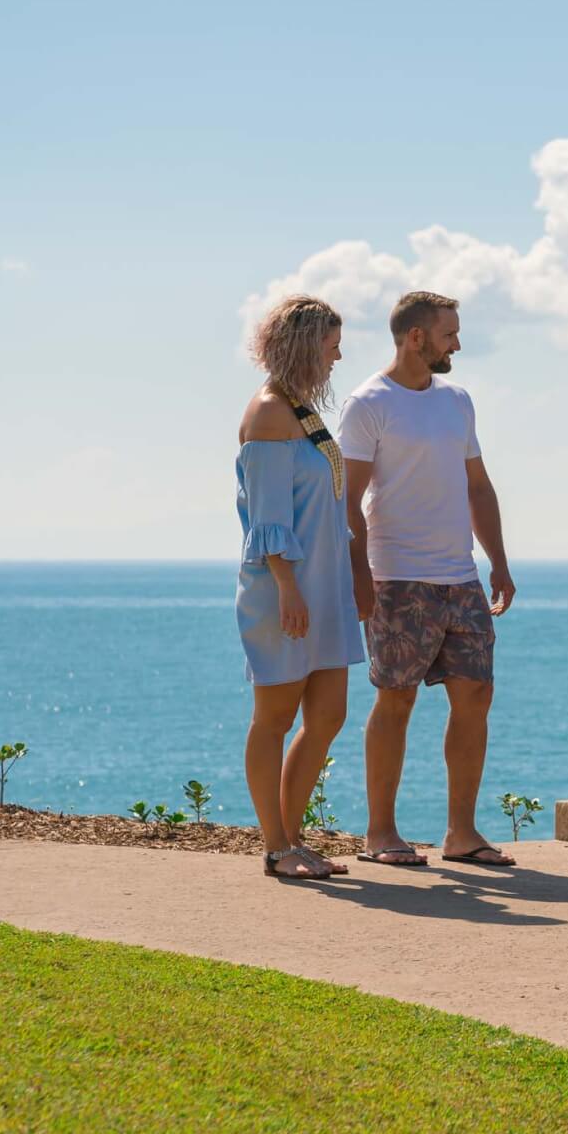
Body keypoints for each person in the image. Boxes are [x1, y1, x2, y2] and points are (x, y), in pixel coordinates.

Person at [340, 291, 519, 869]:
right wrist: (361, 576)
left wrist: (498, 561)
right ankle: (380, 833)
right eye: (449, 334)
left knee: (476, 696)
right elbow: (347, 499)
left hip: (459, 577)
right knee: (396, 700)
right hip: (397, 578)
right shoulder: (368, 403)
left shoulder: (457, 401)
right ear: (416, 337)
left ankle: (461, 834)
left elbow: (477, 487)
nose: (457, 344)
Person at [236, 295, 362, 879]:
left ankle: (292, 840)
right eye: (331, 346)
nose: (337, 357)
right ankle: (276, 846)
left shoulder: (302, 411)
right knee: (275, 717)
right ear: (305, 347)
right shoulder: (269, 414)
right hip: (285, 591)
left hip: (323, 589)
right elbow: (267, 517)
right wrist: (288, 587)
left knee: (329, 714)